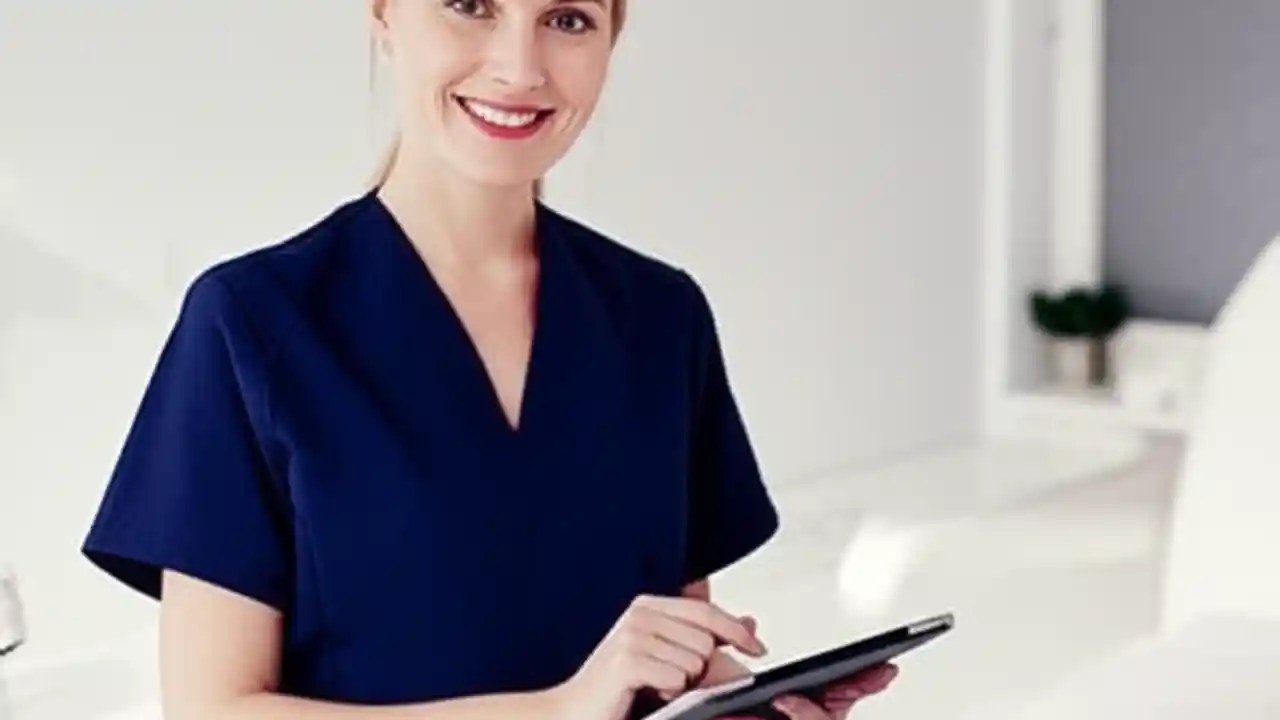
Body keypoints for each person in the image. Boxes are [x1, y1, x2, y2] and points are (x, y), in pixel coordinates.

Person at [81, 1, 897, 718]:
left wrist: (728, 708)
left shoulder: (661, 317)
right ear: (384, 15)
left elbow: (666, 668)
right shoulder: (252, 323)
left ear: (612, 37)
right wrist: (555, 713)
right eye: (470, 4)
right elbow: (213, 712)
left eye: (567, 19)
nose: (519, 66)